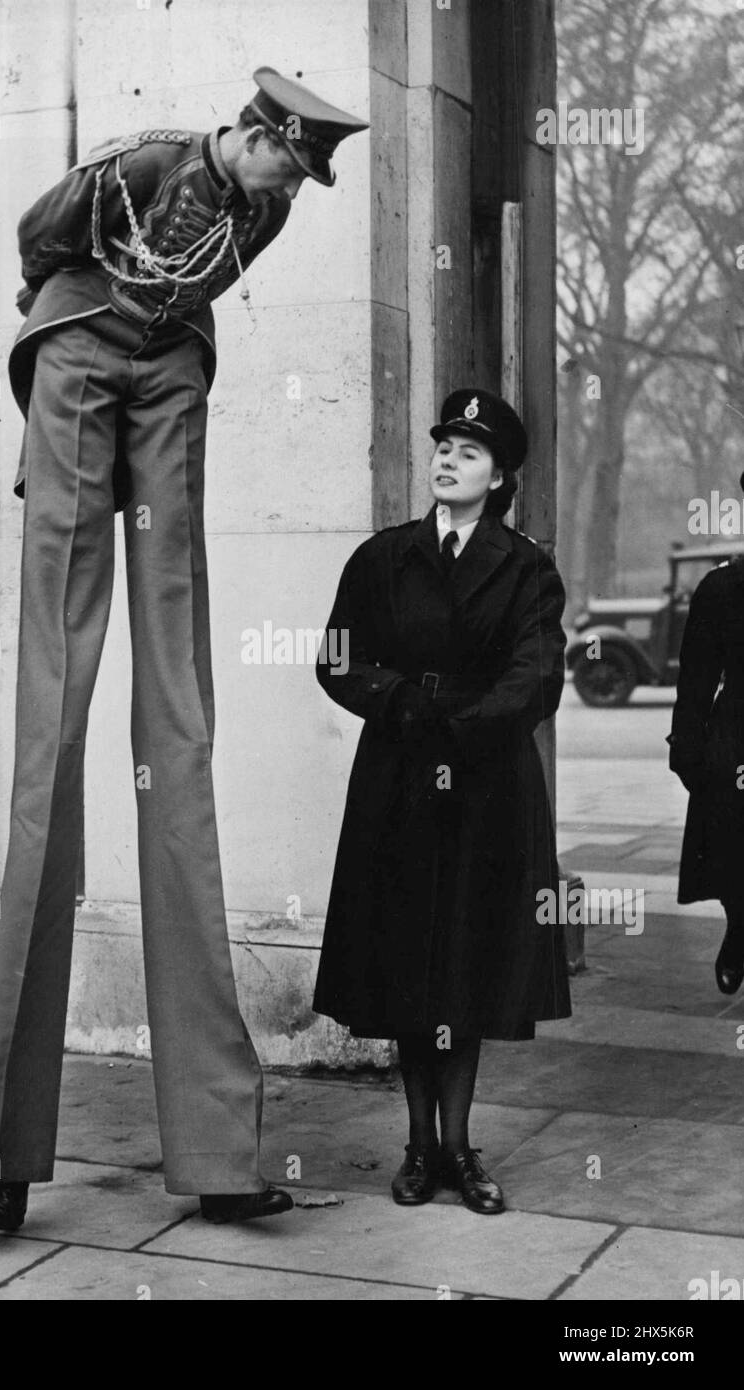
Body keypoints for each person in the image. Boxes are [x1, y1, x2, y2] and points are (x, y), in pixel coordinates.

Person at [0, 66, 368, 1231]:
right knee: (54, 720)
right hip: (80, 354)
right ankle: (5, 1148)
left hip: (172, 374)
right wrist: (73, 331)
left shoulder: (268, 208)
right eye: (277, 159)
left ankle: (219, 1154)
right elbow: (41, 244)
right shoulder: (138, 163)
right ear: (243, 132)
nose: (282, 183)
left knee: (177, 723)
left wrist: (158, 337)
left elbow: (210, 275)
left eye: (296, 173)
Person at [312, 388, 571, 1214]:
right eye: (443, 445)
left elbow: (537, 677)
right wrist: (398, 702)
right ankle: (419, 1148)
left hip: (486, 788)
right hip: (398, 781)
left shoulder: (528, 567)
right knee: (404, 962)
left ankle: (457, 1148)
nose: (448, 458)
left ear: (500, 477)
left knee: (465, 965)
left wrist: (460, 727)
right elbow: (338, 659)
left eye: (469, 450)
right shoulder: (382, 558)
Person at [667, 484, 744, 996]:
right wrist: (689, 757)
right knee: (733, 852)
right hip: (737, 738)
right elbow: (695, 682)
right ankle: (740, 928)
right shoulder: (722, 589)